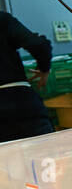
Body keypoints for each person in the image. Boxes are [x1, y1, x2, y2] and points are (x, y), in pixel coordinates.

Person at [0, 11, 54, 142]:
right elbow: (39, 45)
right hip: (22, 104)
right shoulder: (2, 20)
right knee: (46, 158)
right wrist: (44, 68)